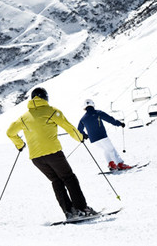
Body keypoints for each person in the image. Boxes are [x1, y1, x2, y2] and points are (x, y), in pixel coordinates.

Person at [7, 87, 96, 219]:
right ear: (45, 98)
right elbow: (69, 127)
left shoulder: (24, 117)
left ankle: (69, 212)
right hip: (53, 154)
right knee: (69, 178)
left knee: (56, 181)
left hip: (36, 158)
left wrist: (20, 144)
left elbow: (10, 132)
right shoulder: (52, 111)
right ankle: (82, 209)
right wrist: (80, 137)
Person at [78, 99, 132, 171]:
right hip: (102, 136)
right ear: (93, 104)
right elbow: (109, 119)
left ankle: (111, 164)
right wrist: (119, 123)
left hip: (93, 140)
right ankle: (120, 164)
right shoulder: (98, 113)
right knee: (111, 149)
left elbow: (79, 130)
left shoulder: (83, 119)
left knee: (106, 150)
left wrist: (85, 135)